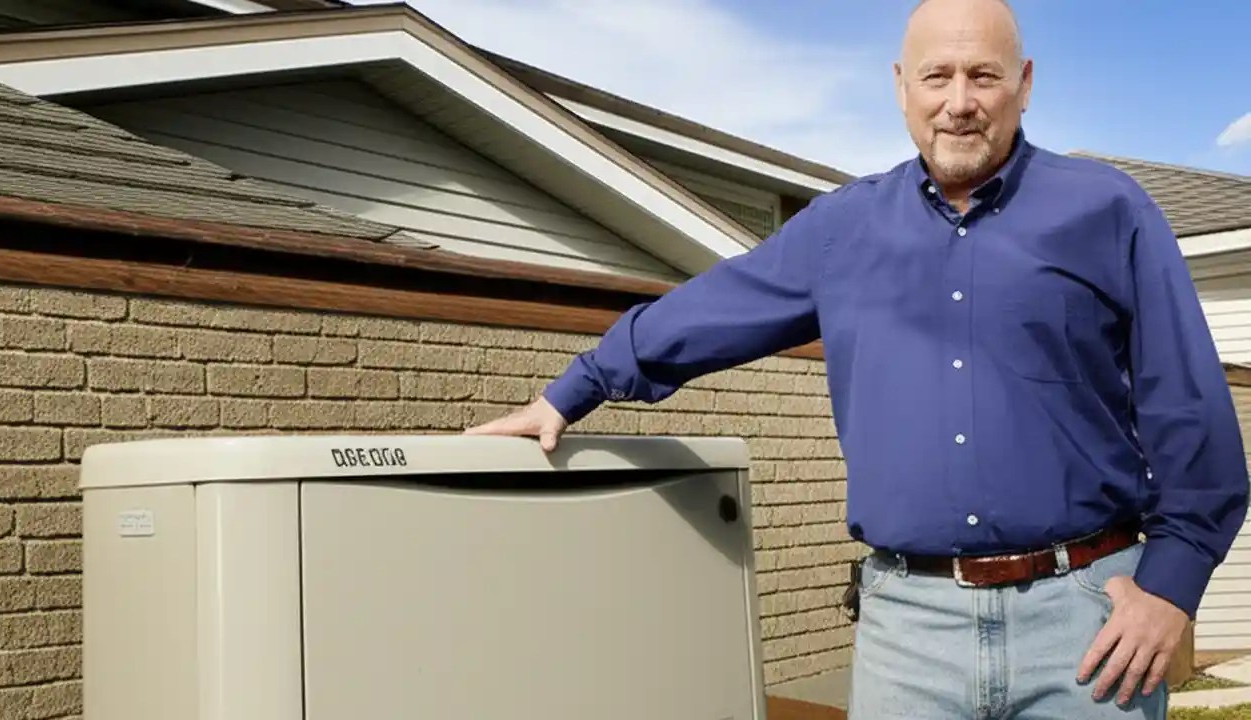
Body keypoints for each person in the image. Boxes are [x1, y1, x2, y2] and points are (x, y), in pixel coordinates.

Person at [466, 0, 1250, 716]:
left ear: (1026, 83)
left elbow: (1190, 415)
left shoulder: (1110, 212)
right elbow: (711, 311)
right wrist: (570, 392)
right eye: (937, 76)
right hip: (909, 633)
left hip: (1085, 625)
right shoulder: (840, 230)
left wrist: (1170, 592)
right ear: (902, 86)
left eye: (984, 75)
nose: (959, 101)